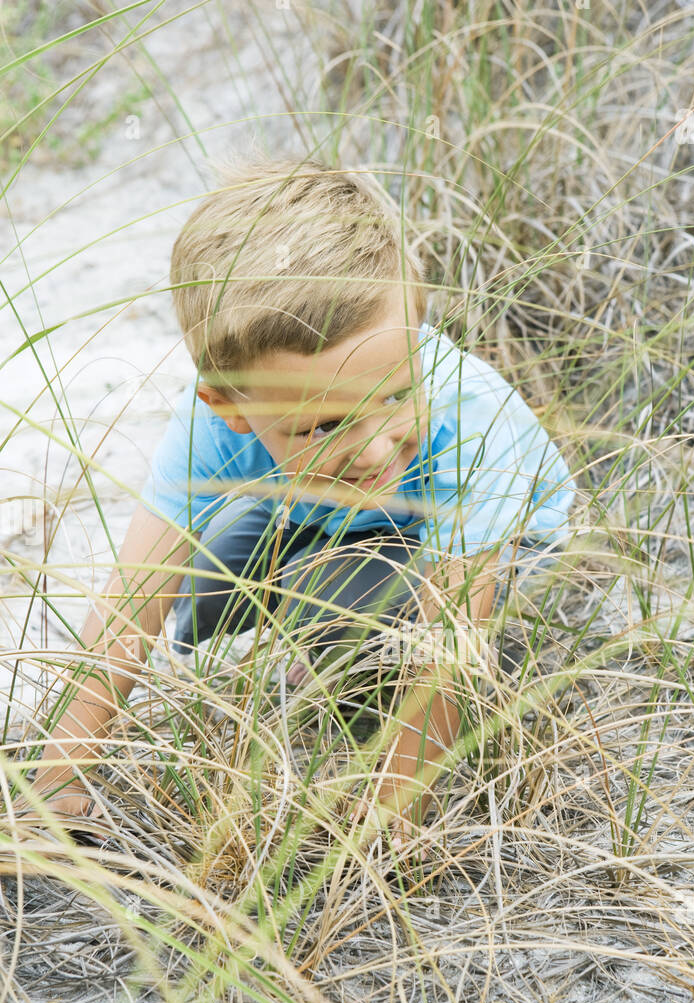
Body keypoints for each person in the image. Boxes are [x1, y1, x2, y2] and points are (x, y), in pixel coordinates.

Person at [23, 155, 577, 856]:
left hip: (480, 549)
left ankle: (340, 648)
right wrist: (59, 780)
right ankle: (320, 617)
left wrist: (390, 815)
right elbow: (133, 599)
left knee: (334, 606)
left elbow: (448, 652)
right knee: (198, 589)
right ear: (229, 408)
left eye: (397, 396)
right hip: (323, 511)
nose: (376, 449)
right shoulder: (211, 426)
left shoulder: (472, 420)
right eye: (321, 426)